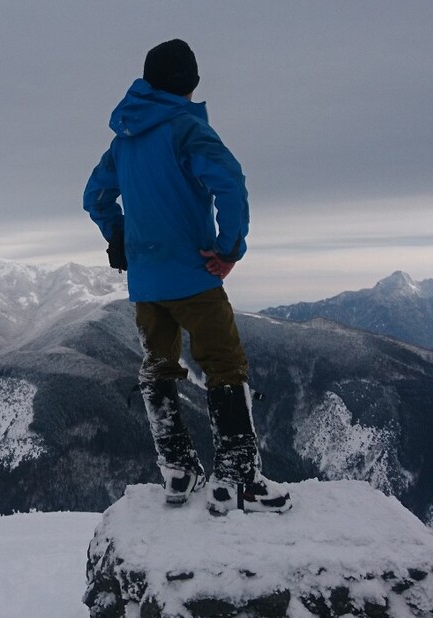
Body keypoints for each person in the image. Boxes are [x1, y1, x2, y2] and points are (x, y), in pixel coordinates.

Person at [83, 38, 291, 515]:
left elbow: (94, 196)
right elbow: (229, 183)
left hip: (146, 283)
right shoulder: (184, 130)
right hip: (194, 276)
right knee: (225, 365)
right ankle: (237, 478)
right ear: (190, 83)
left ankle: (177, 471)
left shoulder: (124, 140)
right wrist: (229, 248)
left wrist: (119, 239)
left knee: (157, 365)